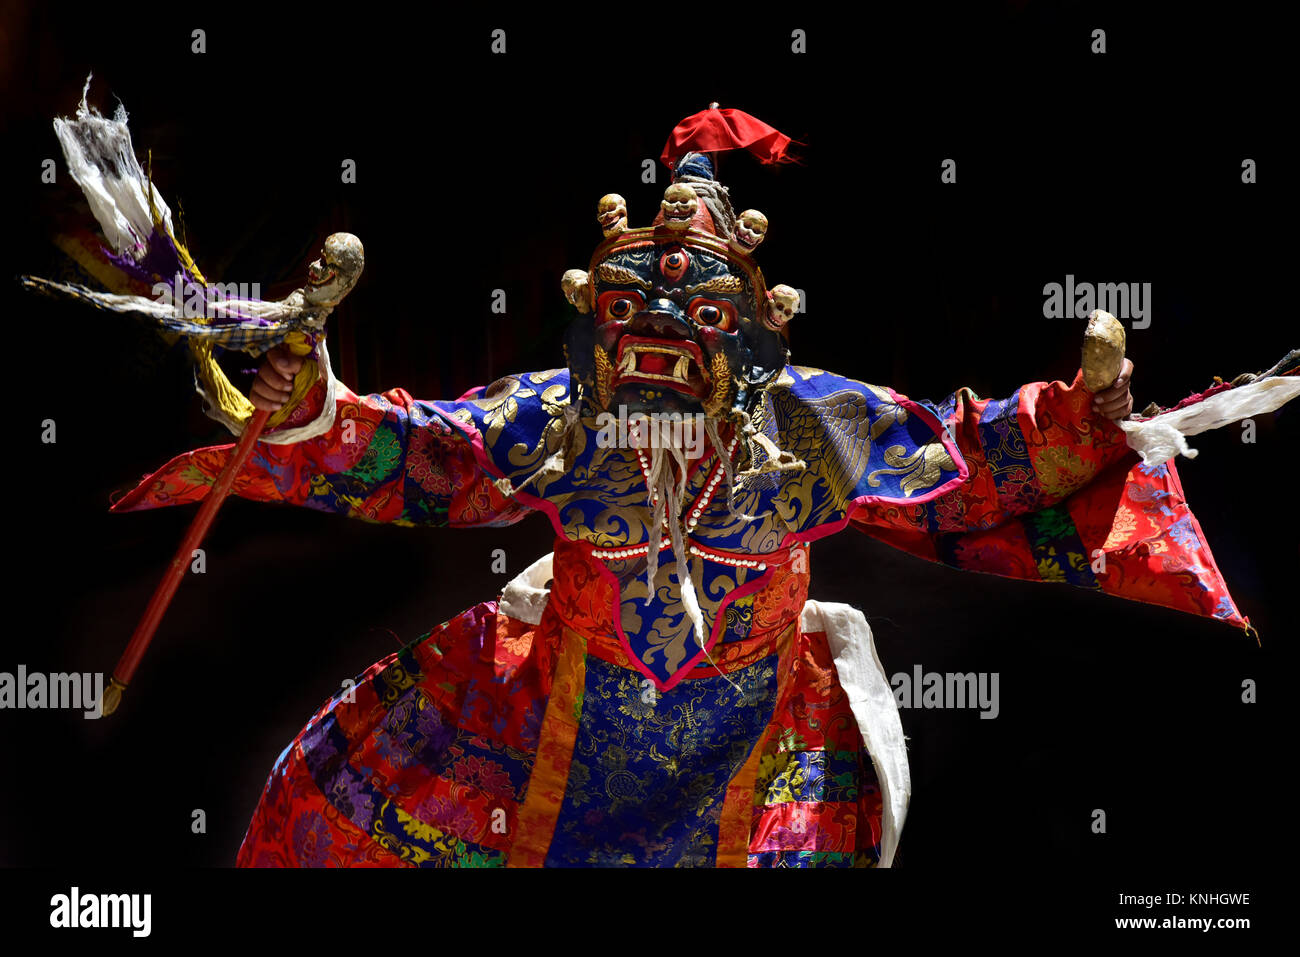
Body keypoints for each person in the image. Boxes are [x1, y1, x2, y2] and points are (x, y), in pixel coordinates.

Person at [32, 98, 1290, 868]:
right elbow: (423, 457)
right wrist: (310, 404)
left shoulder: (809, 424)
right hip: (552, 730)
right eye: (633, 303)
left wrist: (1084, 417)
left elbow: (961, 467)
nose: (659, 325)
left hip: (750, 760)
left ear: (751, 329)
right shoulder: (563, 418)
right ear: (593, 316)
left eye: (693, 307)